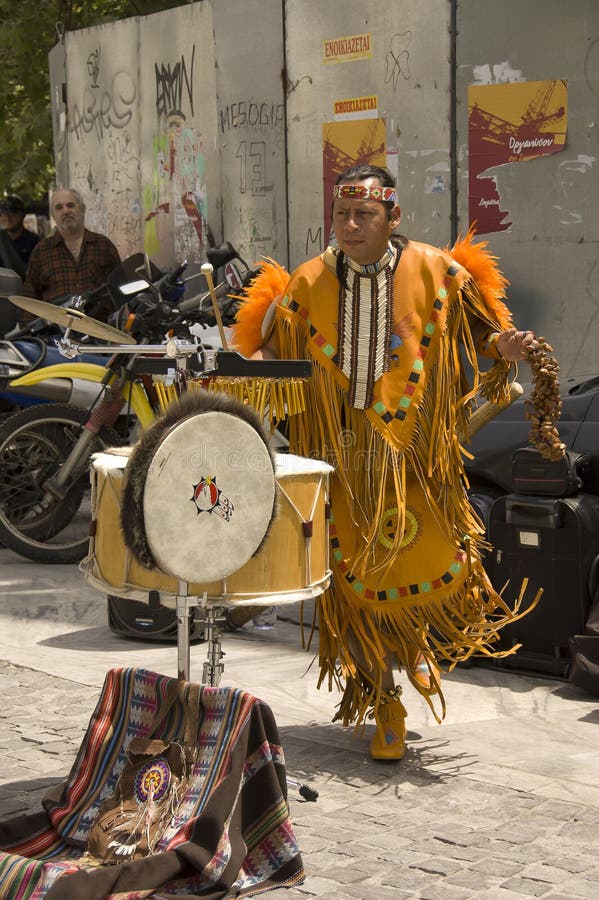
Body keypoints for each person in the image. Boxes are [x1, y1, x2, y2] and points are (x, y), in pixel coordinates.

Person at [232, 164, 540, 761]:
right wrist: (248, 358)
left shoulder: (436, 271)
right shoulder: (305, 284)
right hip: (341, 454)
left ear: (393, 218)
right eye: (342, 214)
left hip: (415, 454)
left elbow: (480, 335)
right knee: (352, 584)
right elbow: (273, 350)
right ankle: (384, 701)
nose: (350, 225)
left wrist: (505, 346)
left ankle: (419, 639)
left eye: (364, 215)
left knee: (426, 557)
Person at [23, 188, 120, 320]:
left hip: (100, 335)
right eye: (59, 208)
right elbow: (29, 299)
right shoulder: (42, 251)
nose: (66, 211)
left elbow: (120, 290)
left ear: (83, 209)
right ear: (53, 216)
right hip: (55, 336)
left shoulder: (104, 246)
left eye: (70, 205)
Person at [0, 194, 40, 280]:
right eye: (3, 214)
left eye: (11, 214)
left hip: (25, 289)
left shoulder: (33, 241)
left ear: (22, 215)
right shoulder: (1, 239)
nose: (7, 218)